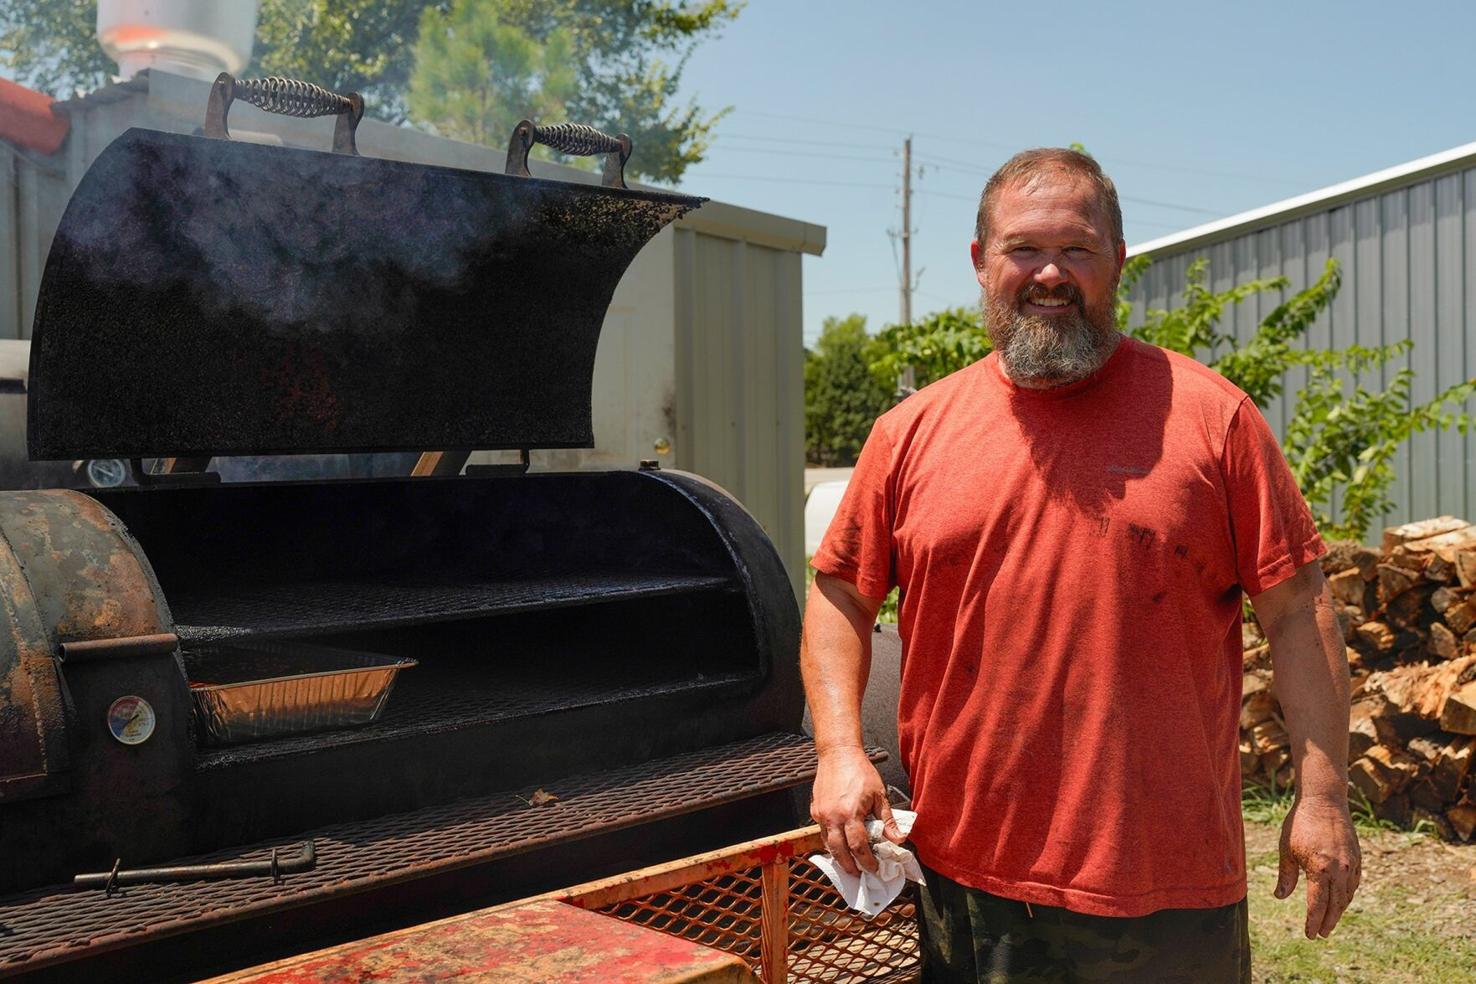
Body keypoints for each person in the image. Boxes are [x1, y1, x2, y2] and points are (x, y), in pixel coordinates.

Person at [804, 147, 1360, 982]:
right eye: (1025, 248)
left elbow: (1297, 609)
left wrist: (1323, 798)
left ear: (1119, 263)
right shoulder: (911, 432)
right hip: (969, 876)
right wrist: (840, 752)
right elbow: (841, 595)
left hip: (1165, 885)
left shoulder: (1214, 419)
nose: (1051, 274)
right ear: (981, 262)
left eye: (1078, 250)